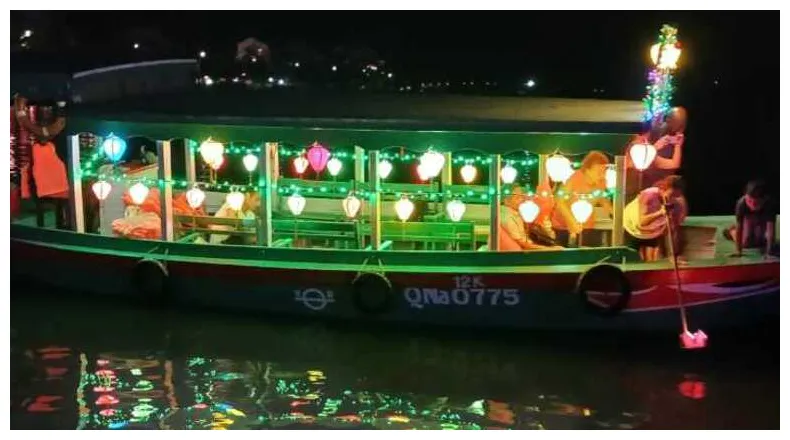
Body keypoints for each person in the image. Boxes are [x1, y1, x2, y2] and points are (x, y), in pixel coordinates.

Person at [625, 107, 687, 201]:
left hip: (648, 194)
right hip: (632, 193)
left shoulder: (655, 149)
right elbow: (635, 162)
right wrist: (655, 147)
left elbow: (674, 164)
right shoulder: (636, 146)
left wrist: (678, 145)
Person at [552, 151, 612, 246]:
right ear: (587, 170)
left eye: (604, 171)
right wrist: (572, 222)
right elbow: (560, 201)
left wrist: (614, 214)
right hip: (562, 226)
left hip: (586, 225)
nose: (602, 175)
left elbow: (603, 200)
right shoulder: (574, 178)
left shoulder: (602, 182)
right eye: (599, 172)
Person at [623, 175, 687, 261]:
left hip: (653, 232)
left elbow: (674, 230)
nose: (673, 199)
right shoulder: (649, 195)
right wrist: (660, 213)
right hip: (633, 228)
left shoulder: (678, 202)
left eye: (676, 196)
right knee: (632, 258)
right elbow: (642, 222)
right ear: (663, 189)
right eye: (671, 195)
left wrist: (674, 254)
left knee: (654, 259)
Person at [497, 185, 563, 252]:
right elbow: (523, 244)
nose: (522, 200)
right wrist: (548, 249)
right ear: (506, 201)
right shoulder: (508, 217)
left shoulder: (517, 214)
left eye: (522, 196)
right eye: (518, 198)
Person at [724, 180, 777, 258]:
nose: (752, 205)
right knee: (746, 243)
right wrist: (738, 251)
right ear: (745, 196)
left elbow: (770, 230)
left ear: (764, 199)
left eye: (756, 202)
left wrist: (769, 253)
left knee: (765, 241)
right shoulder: (741, 203)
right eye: (749, 201)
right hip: (748, 217)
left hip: (762, 217)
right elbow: (740, 227)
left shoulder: (769, 204)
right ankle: (732, 231)